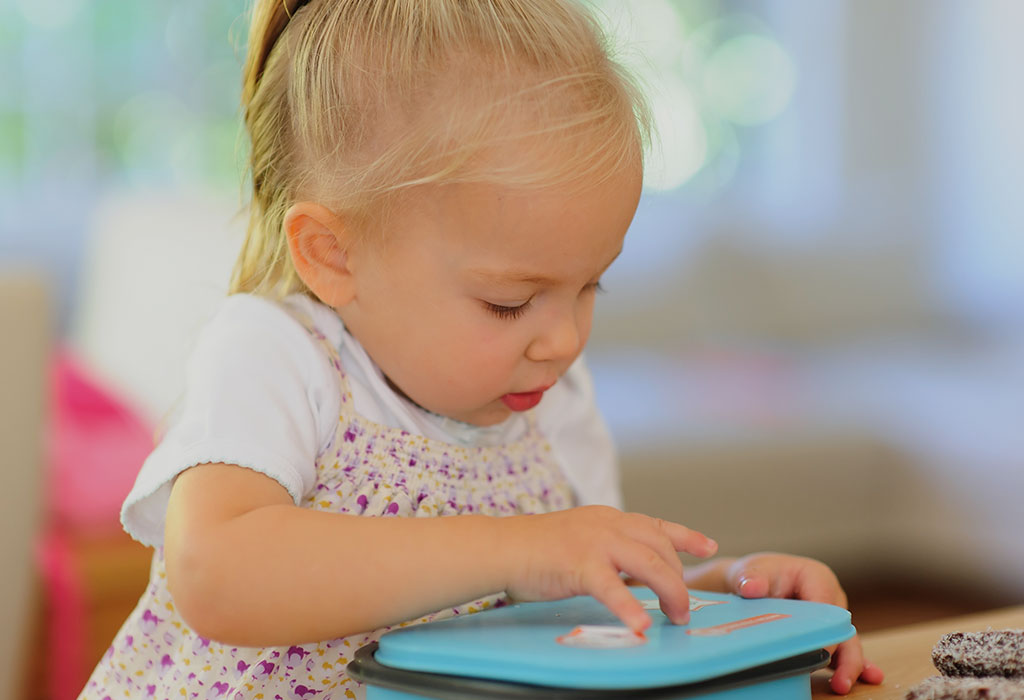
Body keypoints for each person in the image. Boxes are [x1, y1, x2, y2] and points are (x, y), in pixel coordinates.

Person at [79, 1, 884, 698]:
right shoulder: (277, 352)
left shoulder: (552, 401)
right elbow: (217, 572)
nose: (563, 340)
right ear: (333, 256)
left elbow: (579, 603)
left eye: (590, 286)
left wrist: (725, 596)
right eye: (509, 302)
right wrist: (518, 548)